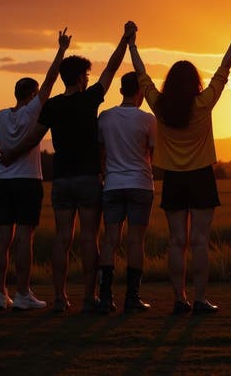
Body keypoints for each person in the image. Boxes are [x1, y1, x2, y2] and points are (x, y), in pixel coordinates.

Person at [4, 21, 137, 313]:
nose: (89, 79)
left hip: (62, 180)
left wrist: (11, 153)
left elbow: (33, 139)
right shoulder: (89, 99)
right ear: (79, 78)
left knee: (62, 238)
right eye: (87, 75)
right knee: (90, 237)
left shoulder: (52, 106)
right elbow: (111, 69)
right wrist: (125, 40)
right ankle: (89, 298)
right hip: (88, 178)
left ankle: (60, 298)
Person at [128, 21, 231, 314]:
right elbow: (224, 70)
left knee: (177, 242)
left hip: (174, 180)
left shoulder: (159, 105)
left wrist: (132, 44)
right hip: (201, 177)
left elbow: (142, 76)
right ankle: (200, 299)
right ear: (194, 82)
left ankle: (180, 299)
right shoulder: (203, 103)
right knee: (200, 242)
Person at [0, 28, 71, 311]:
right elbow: (51, 79)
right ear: (31, 95)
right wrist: (61, 50)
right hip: (27, 181)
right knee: (24, 239)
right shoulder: (32, 111)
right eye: (37, 93)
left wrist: (3, 155)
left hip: (1, 180)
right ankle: (22, 293)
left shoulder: (1, 116)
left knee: (2, 238)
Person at [97, 69, 156, 313]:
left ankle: (105, 296)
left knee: (110, 239)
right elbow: (152, 152)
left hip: (112, 184)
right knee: (136, 240)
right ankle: (132, 296)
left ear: (121, 90)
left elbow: (101, 152)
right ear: (140, 92)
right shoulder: (148, 119)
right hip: (140, 184)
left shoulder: (105, 117)